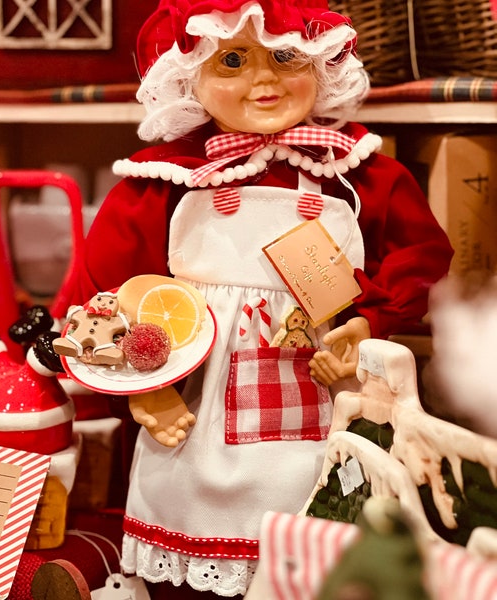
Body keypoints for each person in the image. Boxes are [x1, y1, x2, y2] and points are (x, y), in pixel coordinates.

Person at [60, 0, 453, 596]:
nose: (263, 79)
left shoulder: (355, 174)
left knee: (323, 525)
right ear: (189, 75)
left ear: (322, 64)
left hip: (323, 394)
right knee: (193, 531)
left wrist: (369, 322)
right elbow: (104, 300)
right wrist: (147, 389)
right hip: (196, 412)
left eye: (286, 56)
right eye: (234, 60)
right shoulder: (164, 183)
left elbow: (420, 258)